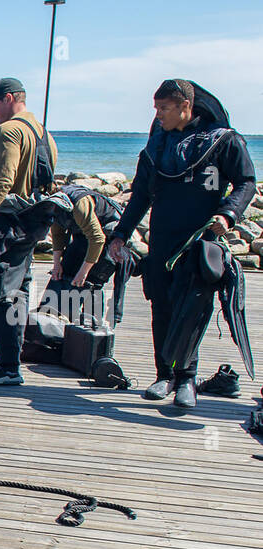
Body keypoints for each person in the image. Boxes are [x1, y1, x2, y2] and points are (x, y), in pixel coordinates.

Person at [107, 79, 256, 410]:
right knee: (161, 306)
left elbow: (246, 182)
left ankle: (187, 378)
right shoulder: (156, 148)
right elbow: (140, 195)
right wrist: (120, 234)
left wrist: (228, 214)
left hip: (201, 242)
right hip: (162, 240)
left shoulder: (223, 142)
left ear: (184, 107)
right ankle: (164, 375)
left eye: (163, 108)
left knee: (192, 309)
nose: (157, 115)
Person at [0, 77, 58, 387]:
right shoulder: (43, 132)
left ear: (8, 99)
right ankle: (8, 360)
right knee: (17, 290)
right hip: (33, 223)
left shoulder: (8, 131)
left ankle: (9, 370)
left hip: (9, 223)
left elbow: (1, 182)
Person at [43, 182, 132, 327]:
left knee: (91, 283)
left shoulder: (79, 205)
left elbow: (98, 239)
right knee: (63, 274)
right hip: (83, 236)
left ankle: (93, 332)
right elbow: (58, 235)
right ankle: (57, 328)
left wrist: (84, 272)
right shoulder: (52, 206)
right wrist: (56, 264)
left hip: (110, 240)